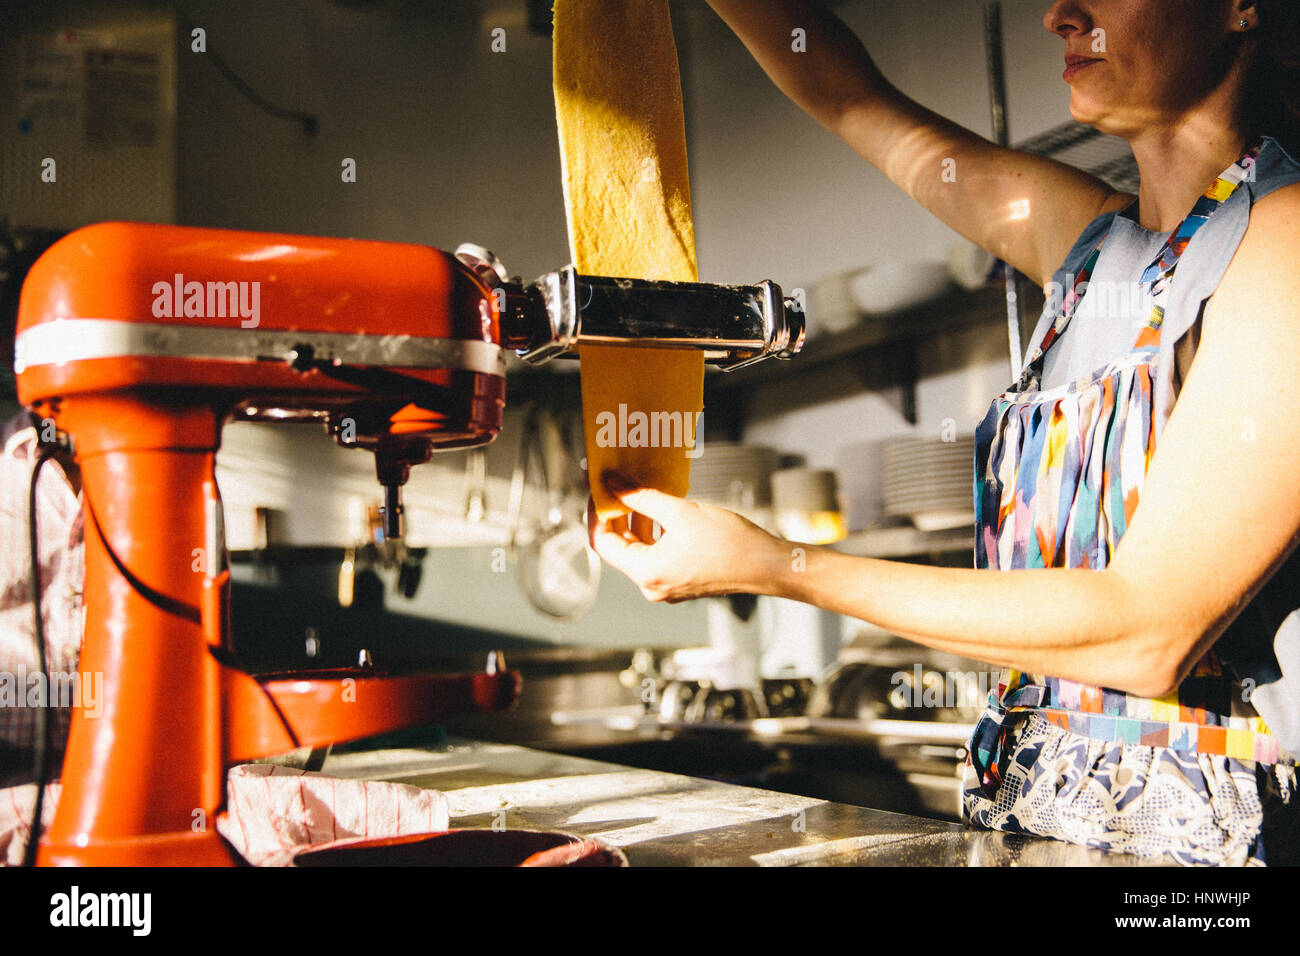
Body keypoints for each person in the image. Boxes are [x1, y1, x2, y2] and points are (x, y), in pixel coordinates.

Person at [589, 0, 1300, 865]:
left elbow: (1146, 631)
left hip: (1223, 855)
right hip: (1051, 831)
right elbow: (851, 98)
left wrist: (778, 566)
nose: (1059, 14)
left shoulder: (1286, 241)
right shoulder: (1092, 248)